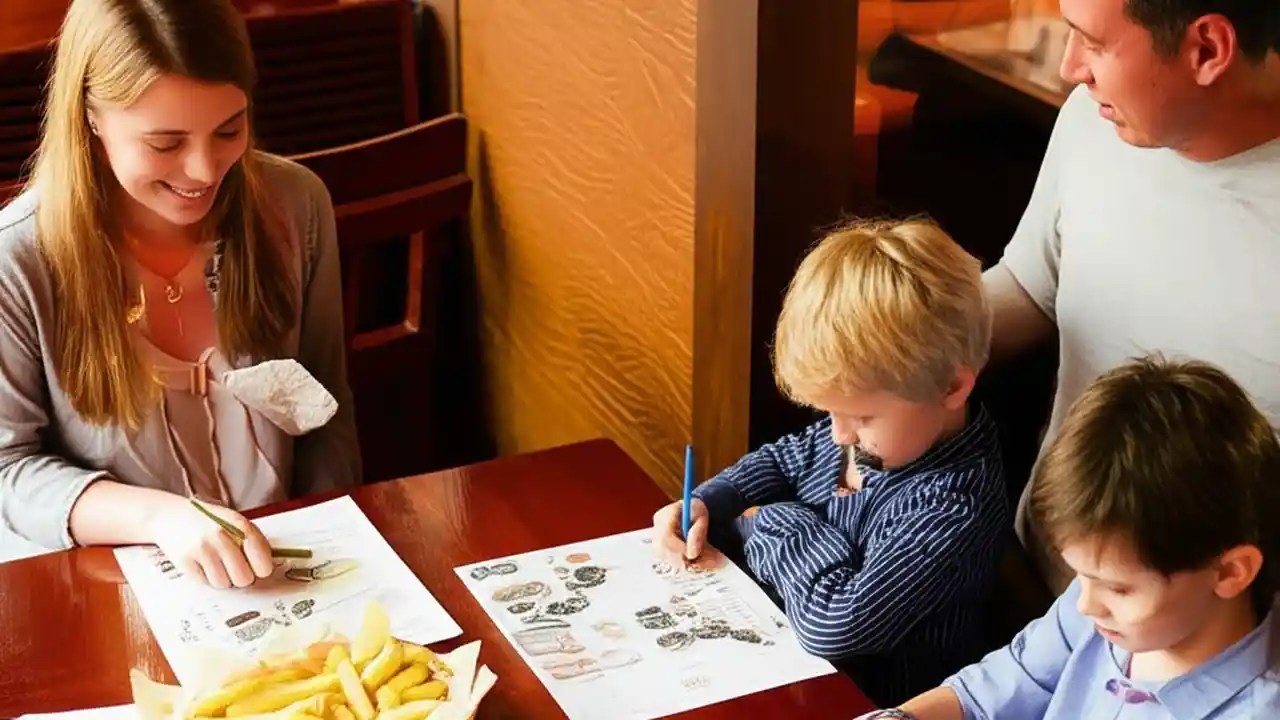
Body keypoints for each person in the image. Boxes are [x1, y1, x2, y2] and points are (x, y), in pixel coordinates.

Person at [0, 0, 361, 585]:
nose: (204, 171)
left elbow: (327, 407)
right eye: (165, 143)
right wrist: (163, 517)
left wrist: (326, 533)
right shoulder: (16, 260)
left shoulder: (298, 207)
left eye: (229, 130)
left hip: (285, 568)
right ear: (90, 119)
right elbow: (7, 469)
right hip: (108, 585)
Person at [987, 0, 1280, 595]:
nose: (1070, 66)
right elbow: (1027, 288)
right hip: (1041, 592)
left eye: (1092, 42)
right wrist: (890, 324)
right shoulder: (1091, 120)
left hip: (1225, 650)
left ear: (1207, 50)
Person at [652, 218, 1008, 705]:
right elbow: (785, 459)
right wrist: (711, 501)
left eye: (860, 416)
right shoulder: (883, 427)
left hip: (867, 700)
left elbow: (836, 626)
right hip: (787, 663)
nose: (839, 433)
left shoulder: (952, 506)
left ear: (951, 387)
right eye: (829, 412)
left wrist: (769, 521)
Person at [860, 356, 1280, 719]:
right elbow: (996, 689)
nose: (1085, 603)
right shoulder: (1097, 613)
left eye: (1119, 588)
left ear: (1229, 572)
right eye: (1082, 575)